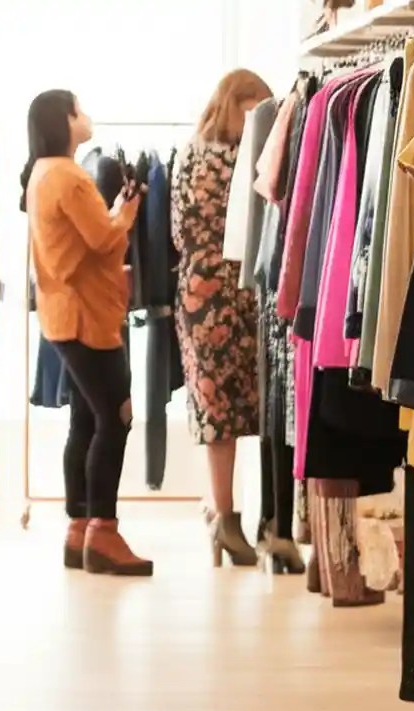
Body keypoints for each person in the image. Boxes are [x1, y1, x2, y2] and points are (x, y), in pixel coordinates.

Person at [22, 89, 150, 576]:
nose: (86, 114)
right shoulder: (70, 175)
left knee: (85, 419)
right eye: (79, 108)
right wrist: (129, 212)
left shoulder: (41, 172)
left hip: (61, 315)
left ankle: (79, 529)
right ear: (64, 120)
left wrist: (115, 209)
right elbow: (102, 238)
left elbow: (86, 232)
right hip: (89, 318)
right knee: (114, 418)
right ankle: (103, 531)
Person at [171, 69, 274, 567]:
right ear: (233, 105)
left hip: (202, 292)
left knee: (222, 413)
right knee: (238, 412)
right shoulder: (238, 159)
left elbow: (177, 230)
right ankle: (231, 521)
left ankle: (224, 517)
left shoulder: (187, 153)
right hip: (230, 292)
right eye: (252, 110)